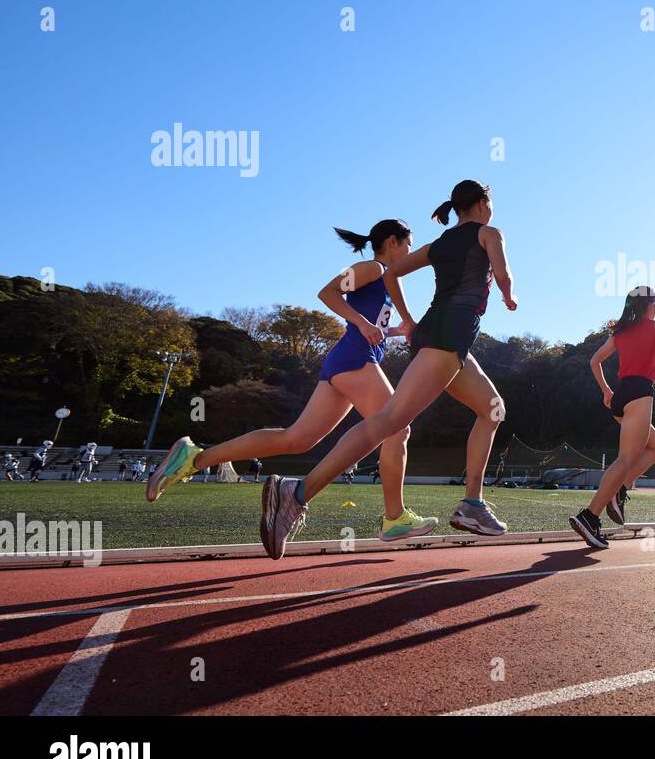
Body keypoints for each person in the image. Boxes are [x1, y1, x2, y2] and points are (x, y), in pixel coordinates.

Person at [259, 180, 517, 559]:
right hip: (448, 333)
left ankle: (472, 504)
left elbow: (393, 275)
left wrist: (411, 321)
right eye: (490, 203)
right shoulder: (490, 232)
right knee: (389, 421)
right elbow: (503, 273)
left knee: (493, 408)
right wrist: (509, 295)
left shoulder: (438, 244)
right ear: (482, 204)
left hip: (446, 336)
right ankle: (295, 494)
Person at [146, 220, 439, 544]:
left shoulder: (384, 281)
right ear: (393, 241)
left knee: (297, 439)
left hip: (349, 362)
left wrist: (392, 330)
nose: (411, 252)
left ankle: (194, 458)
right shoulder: (372, 267)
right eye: (409, 245)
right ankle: (394, 517)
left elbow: (370, 324)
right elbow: (327, 293)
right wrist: (362, 321)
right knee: (398, 426)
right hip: (355, 359)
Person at [570, 286, 655, 549]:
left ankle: (620, 489)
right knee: (626, 459)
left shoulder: (620, 331)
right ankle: (589, 516)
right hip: (639, 394)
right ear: (649, 305)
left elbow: (595, 361)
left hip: (620, 398)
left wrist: (606, 390)